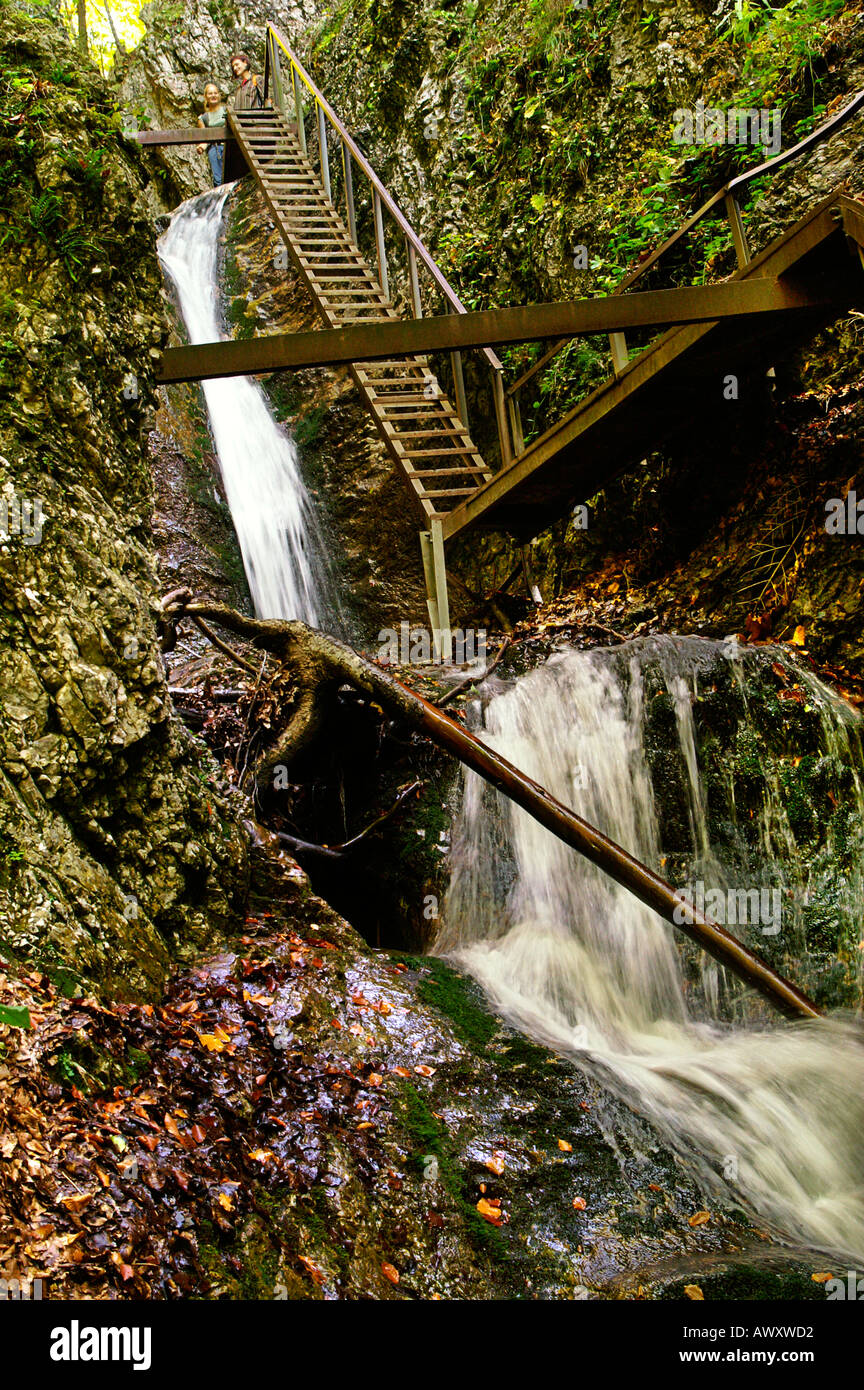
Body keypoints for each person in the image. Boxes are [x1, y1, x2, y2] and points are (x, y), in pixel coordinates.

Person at [196, 83, 226, 185]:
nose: (213, 95)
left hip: (229, 147)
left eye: (215, 93)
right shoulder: (203, 118)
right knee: (218, 179)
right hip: (215, 148)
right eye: (210, 93)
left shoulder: (227, 111)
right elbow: (205, 139)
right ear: (206, 97)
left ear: (219, 95)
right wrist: (201, 147)